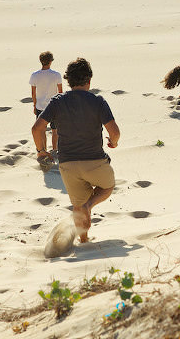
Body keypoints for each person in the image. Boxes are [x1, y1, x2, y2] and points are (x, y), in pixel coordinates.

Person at [32, 58, 120, 243]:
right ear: (89, 80)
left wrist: (41, 150)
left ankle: (84, 240)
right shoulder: (98, 101)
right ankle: (90, 205)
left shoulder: (58, 101)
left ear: (68, 82)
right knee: (107, 186)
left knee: (77, 206)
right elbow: (115, 132)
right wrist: (113, 142)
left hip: (67, 164)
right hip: (95, 161)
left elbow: (36, 128)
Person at [29, 51, 63, 160]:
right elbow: (60, 92)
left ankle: (43, 150)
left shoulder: (35, 75)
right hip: (54, 106)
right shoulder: (56, 75)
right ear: (50, 61)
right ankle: (55, 150)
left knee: (41, 130)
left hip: (40, 106)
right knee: (55, 131)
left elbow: (33, 93)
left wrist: (34, 105)